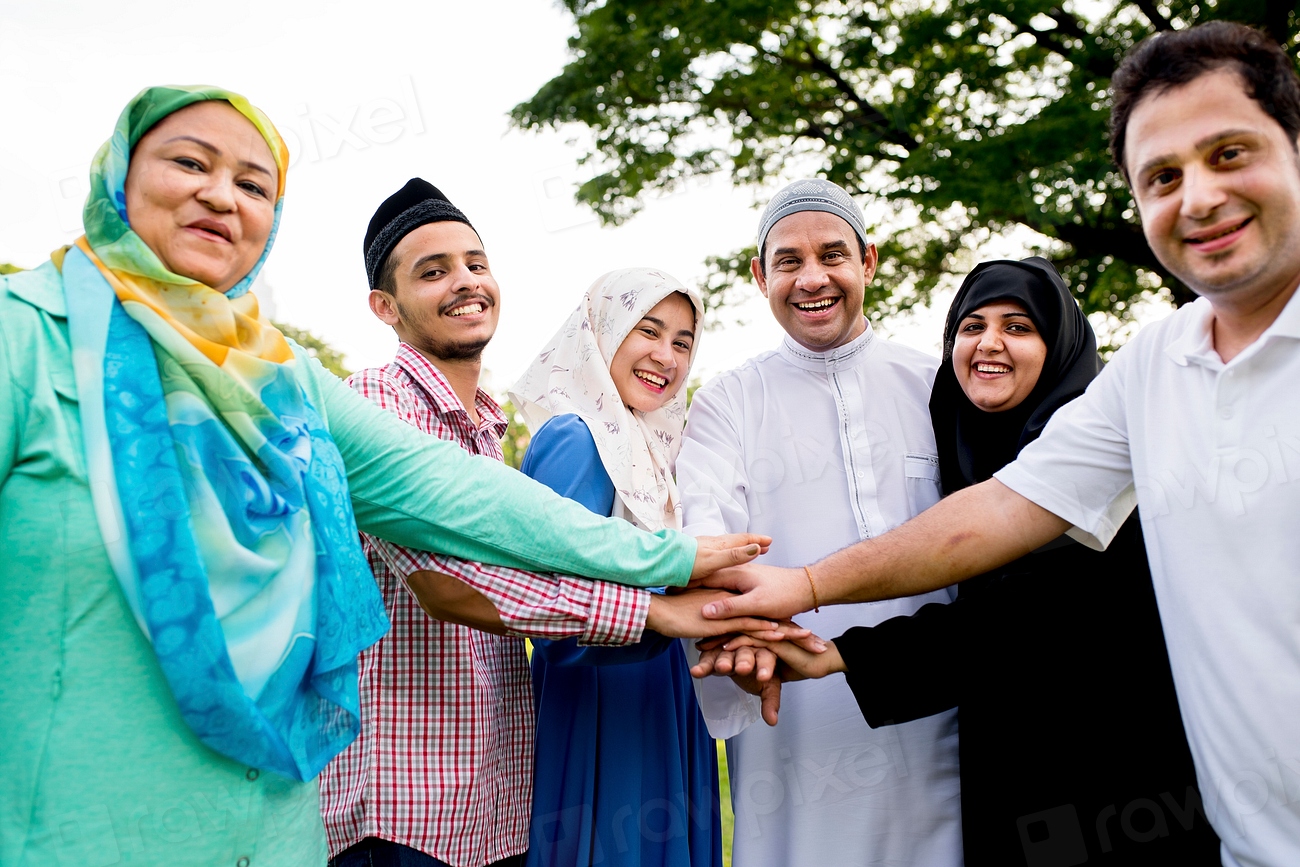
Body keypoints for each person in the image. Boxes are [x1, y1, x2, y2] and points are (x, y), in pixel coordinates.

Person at [0, 85, 770, 867]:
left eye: (254, 183)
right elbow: (447, 579)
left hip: (468, 802)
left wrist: (674, 562)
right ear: (385, 306)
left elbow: (485, 504)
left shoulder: (297, 385)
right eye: (189, 163)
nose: (220, 195)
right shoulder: (31, 336)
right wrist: (657, 604)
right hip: (399, 807)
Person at [695, 22, 1300, 867]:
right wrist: (801, 587)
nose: (1195, 197)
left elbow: (1029, 616)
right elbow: (997, 513)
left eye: (1230, 153)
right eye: (1162, 175)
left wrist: (833, 640)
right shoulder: (1152, 375)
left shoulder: (1060, 391)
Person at [713, 257, 1221, 865]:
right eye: (972, 326)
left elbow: (1028, 618)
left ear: (1058, 343)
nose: (989, 344)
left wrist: (835, 644)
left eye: (1019, 327)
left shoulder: (1101, 444)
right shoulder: (965, 447)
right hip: (1004, 762)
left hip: (1113, 766)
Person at [675, 178, 963, 866]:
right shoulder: (730, 401)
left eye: (832, 255)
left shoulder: (935, 384)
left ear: (867, 262)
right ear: (759, 276)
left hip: (935, 702)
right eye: (787, 261)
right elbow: (705, 533)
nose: (812, 278)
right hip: (792, 709)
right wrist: (746, 639)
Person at [506, 268, 721, 867]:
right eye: (647, 331)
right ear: (601, 332)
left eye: (683, 341)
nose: (666, 356)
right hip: (604, 698)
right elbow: (551, 606)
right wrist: (668, 616)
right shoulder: (578, 437)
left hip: (667, 691)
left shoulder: (654, 446)